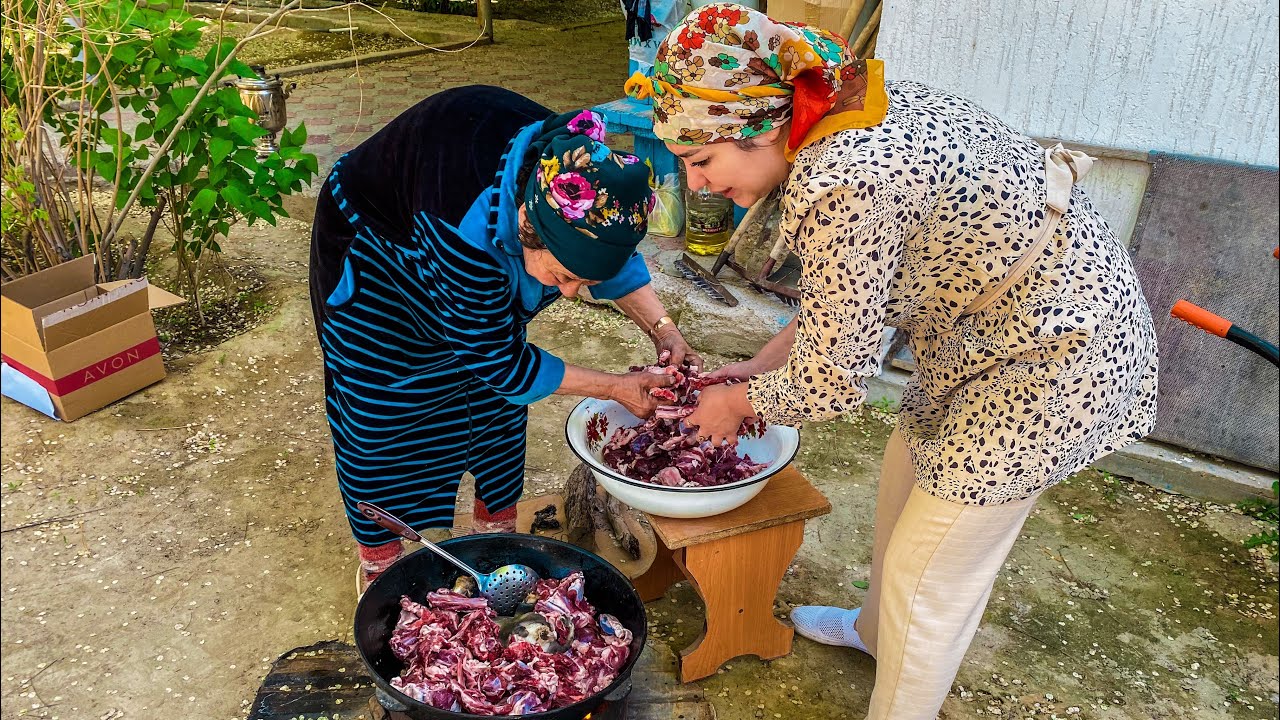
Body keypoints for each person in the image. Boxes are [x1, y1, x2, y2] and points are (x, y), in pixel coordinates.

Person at [626, 5, 1158, 718]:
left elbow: (836, 377)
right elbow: (844, 311)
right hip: (987, 329)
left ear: (762, 128)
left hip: (1055, 354)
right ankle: (877, 634)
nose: (696, 184)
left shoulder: (840, 179)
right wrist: (752, 374)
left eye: (701, 160)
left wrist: (738, 405)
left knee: (929, 574)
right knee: (904, 477)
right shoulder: (845, 107)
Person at [309, 86, 702, 595]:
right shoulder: (465, 225)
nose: (568, 293)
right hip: (379, 264)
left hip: (458, 243)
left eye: (580, 283)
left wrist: (665, 331)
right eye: (561, 277)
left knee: (493, 411)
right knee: (383, 416)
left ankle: (493, 546)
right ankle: (382, 565)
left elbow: (608, 255)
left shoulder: (583, 182)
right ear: (524, 229)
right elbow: (501, 365)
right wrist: (615, 387)